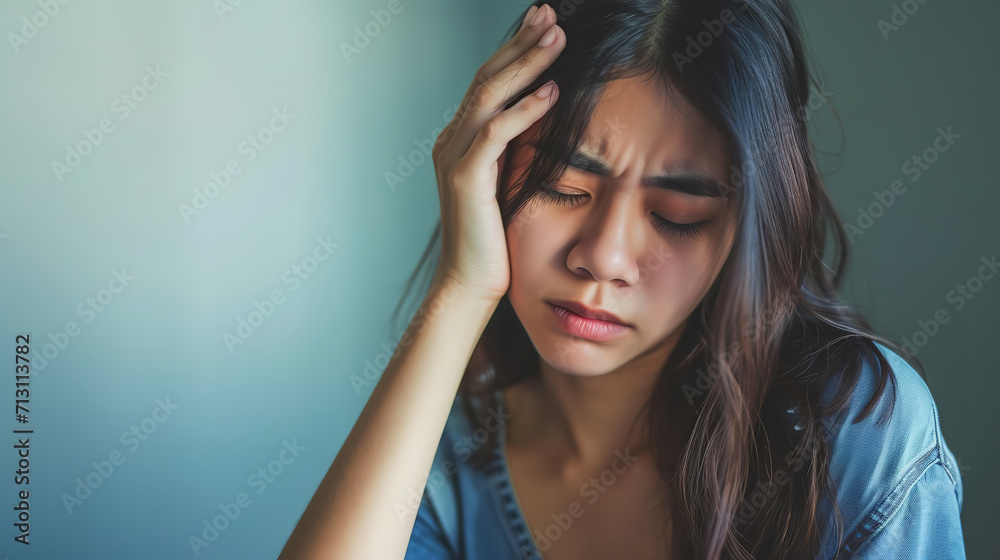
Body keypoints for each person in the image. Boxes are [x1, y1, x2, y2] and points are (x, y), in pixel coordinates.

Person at [279, 1, 966, 558]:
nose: (604, 258)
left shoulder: (856, 434)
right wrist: (460, 290)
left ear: (748, 233)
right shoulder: (450, 460)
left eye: (676, 216)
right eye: (561, 186)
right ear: (485, 170)